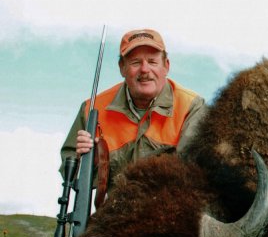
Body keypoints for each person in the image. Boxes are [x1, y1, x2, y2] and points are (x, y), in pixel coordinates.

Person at [60, 29, 206, 189]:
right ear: (122, 67)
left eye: (152, 62)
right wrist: (89, 162)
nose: (144, 69)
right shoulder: (91, 109)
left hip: (169, 202)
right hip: (116, 204)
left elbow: (191, 175)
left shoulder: (191, 107)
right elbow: (72, 177)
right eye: (135, 62)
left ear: (166, 66)